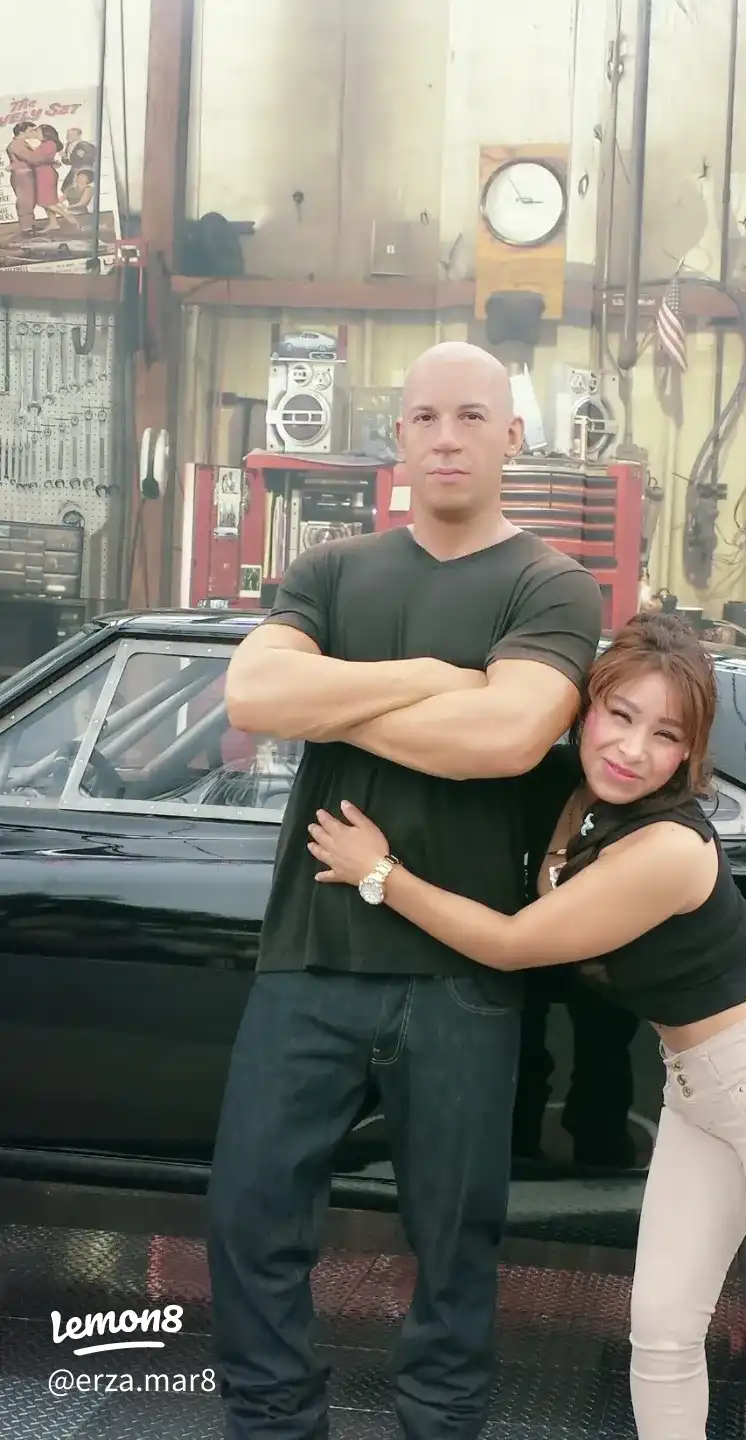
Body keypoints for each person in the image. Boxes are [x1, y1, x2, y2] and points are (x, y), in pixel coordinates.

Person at [305, 610, 746, 1440]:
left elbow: (509, 945)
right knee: (663, 1330)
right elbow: (485, 723)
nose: (633, 749)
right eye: (621, 715)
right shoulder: (584, 795)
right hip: (700, 1092)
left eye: (666, 734)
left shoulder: (668, 849)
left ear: (689, 753)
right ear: (586, 708)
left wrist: (380, 873)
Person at [209, 339, 603, 1440]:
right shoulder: (335, 569)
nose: (445, 435)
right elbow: (253, 690)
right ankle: (275, 1422)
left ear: (512, 436)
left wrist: (331, 698)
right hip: (310, 951)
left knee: (456, 1237)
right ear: (399, 435)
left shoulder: (549, 582)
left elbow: (508, 735)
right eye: (425, 416)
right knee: (250, 1216)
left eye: (472, 416)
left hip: (462, 972)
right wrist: (435, 679)